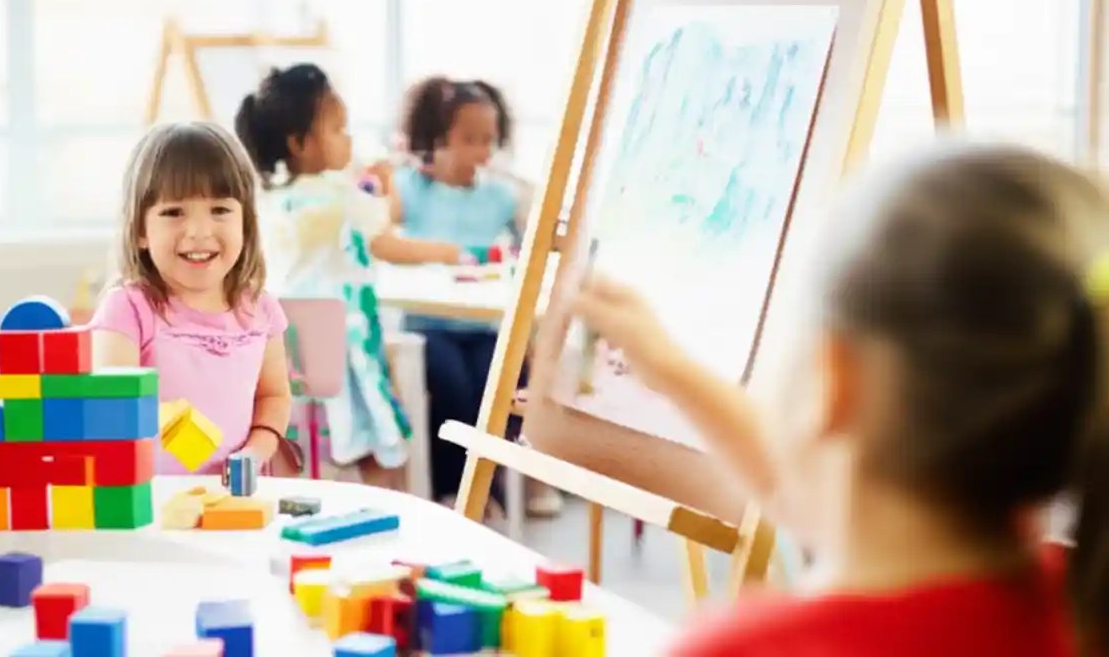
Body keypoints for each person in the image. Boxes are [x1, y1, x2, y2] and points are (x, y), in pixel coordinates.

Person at [571, 142, 1108, 656]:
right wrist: (669, 368)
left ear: (832, 379)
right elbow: (802, 486)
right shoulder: (1080, 605)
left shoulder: (748, 650)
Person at [236, 64, 467, 489]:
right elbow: (386, 241)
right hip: (341, 345)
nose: (350, 138)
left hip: (289, 349)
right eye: (339, 129)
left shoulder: (270, 199)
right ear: (300, 143)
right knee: (381, 425)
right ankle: (391, 496)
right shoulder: (336, 195)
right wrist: (387, 185)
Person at [393, 75, 562, 515]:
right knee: (452, 387)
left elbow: (531, 248)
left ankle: (490, 483)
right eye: (468, 139)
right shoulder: (411, 188)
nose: (481, 152)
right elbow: (376, 231)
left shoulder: (501, 197)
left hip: (485, 323)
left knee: (502, 383)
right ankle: (455, 487)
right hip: (429, 324)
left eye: (489, 140)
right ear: (437, 137)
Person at [89, 121, 295, 476]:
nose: (199, 232)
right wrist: (184, 438)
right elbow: (112, 400)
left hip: (233, 506)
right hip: (149, 507)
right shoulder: (128, 308)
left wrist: (255, 452)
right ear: (140, 229)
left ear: (246, 224)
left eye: (220, 210)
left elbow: (273, 397)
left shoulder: (261, 311)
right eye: (174, 212)